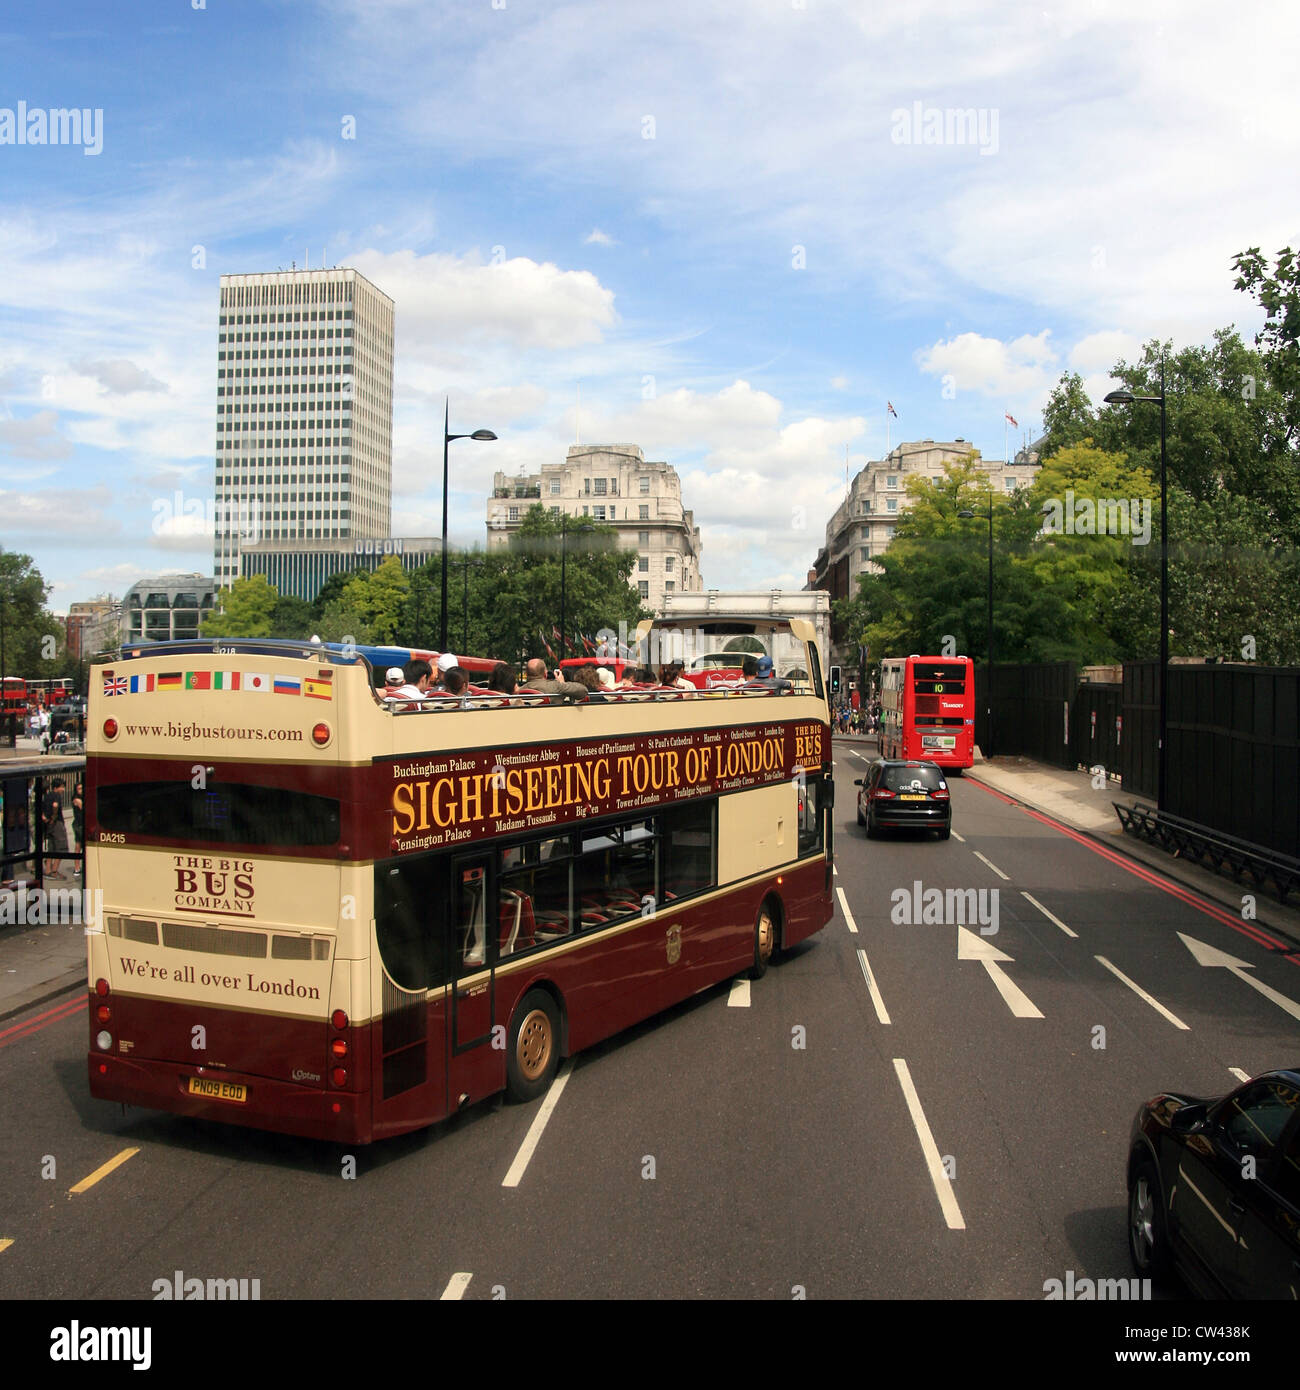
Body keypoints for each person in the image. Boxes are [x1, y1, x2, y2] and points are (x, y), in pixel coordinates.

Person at [520, 658, 588, 701]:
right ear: (545, 673)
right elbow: (583, 690)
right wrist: (562, 683)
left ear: (526, 674)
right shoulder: (556, 686)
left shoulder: (519, 691)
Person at [42, 776, 69, 877]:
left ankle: (47, 870)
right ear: (56, 787)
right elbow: (55, 806)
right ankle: (54, 871)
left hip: (48, 825)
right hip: (57, 824)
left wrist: (46, 819)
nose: (63, 789)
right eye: (61, 787)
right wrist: (53, 817)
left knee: (51, 847)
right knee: (61, 848)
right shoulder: (57, 796)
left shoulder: (47, 795)